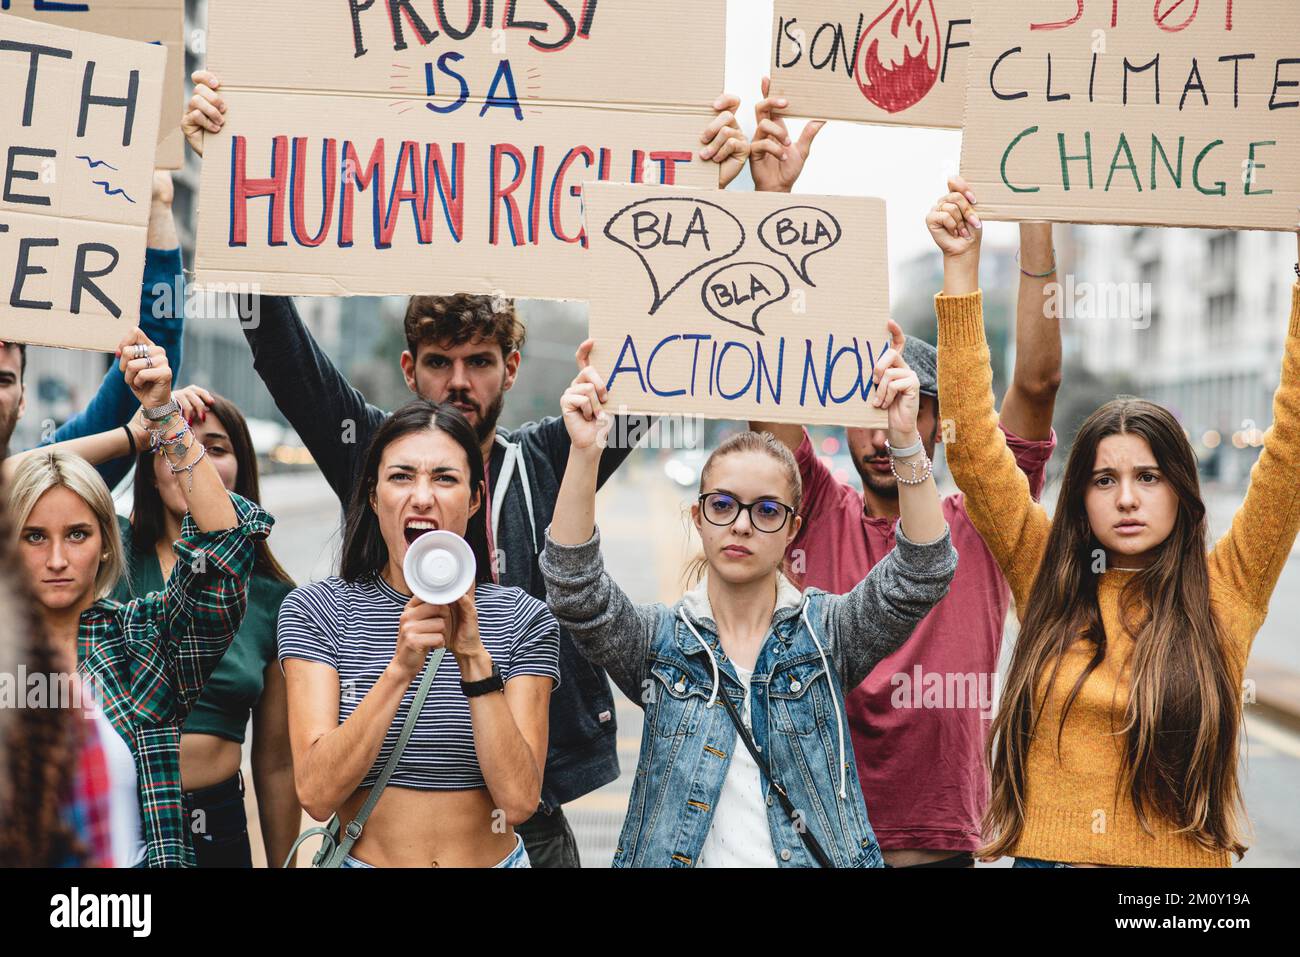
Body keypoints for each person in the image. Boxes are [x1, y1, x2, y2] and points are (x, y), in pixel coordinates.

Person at [181, 69, 750, 866]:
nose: (459, 383)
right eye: (440, 362)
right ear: (409, 370)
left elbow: (658, 362)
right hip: (384, 813)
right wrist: (226, 175)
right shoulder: (366, 451)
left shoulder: (556, 454)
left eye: (479, 361)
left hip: (529, 806)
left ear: (513, 366)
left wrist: (715, 201)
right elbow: (281, 349)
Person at [931, 185, 1300, 866]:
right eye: (1104, 479)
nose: (1126, 498)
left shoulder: (1230, 588)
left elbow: (1291, 442)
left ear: (1181, 494)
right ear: (1081, 496)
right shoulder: (1045, 570)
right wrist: (960, 268)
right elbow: (974, 448)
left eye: (1148, 477)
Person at [750, 85, 1062, 866]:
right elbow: (767, 392)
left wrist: (1037, 210)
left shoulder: (983, 524)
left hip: (949, 849)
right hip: (819, 847)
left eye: (913, 408)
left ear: (941, 422)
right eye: (870, 407)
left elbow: (1038, 384)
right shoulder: (814, 507)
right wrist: (770, 203)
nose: (889, 429)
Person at [540, 336, 958, 867]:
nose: (740, 523)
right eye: (722, 505)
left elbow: (923, 571)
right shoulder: (659, 645)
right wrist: (583, 452)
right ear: (698, 518)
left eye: (766, 510)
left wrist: (905, 441)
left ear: (792, 531)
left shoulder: (828, 636)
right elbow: (575, 589)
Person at [4, 330, 272, 867]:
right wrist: (129, 436)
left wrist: (165, 418)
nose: (57, 558)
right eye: (35, 536)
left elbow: (222, 553)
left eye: (77, 534)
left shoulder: (142, 641)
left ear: (107, 545)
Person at [277, 400, 560, 868]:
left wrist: (473, 659)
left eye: (445, 478)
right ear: (373, 495)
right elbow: (317, 793)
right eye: (402, 476)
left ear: (474, 499)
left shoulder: (523, 619)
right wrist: (399, 669)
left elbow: (518, 801)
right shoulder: (318, 610)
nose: (422, 497)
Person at [110, 387, 299, 868]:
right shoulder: (108, 553)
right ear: (150, 470)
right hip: (108, 822)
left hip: (215, 827)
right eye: (174, 445)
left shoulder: (275, 594)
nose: (188, 458)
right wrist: (135, 433)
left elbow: (276, 764)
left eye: (213, 448)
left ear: (241, 470)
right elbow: (17, 482)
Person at [2, 171, 187, 489]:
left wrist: (157, 205)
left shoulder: (52, 481)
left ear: (22, 401)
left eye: (3, 380)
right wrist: (128, 437)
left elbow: (151, 346)